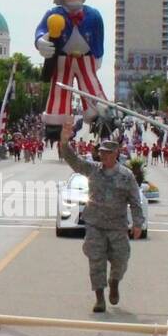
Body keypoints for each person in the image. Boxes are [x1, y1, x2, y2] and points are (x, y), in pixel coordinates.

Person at [59, 114, 144, 312]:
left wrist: (138, 223)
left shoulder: (126, 176)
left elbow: (135, 201)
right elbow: (73, 160)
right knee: (95, 261)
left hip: (117, 226)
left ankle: (114, 282)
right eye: (101, 153)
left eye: (107, 153)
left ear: (116, 154)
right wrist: (64, 141)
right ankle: (99, 297)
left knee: (121, 260)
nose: (103, 156)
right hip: (95, 225)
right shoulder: (93, 170)